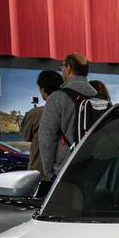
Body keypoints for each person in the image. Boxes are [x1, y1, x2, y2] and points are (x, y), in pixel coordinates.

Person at [38, 52, 98, 185]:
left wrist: (49, 172)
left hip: (66, 170)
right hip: (95, 168)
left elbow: (46, 137)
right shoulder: (99, 96)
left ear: (69, 68)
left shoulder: (57, 97)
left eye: (62, 66)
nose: (62, 70)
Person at [20, 69, 62, 173]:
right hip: (63, 172)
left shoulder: (35, 114)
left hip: (39, 172)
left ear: (43, 90)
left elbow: (26, 137)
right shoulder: (70, 112)